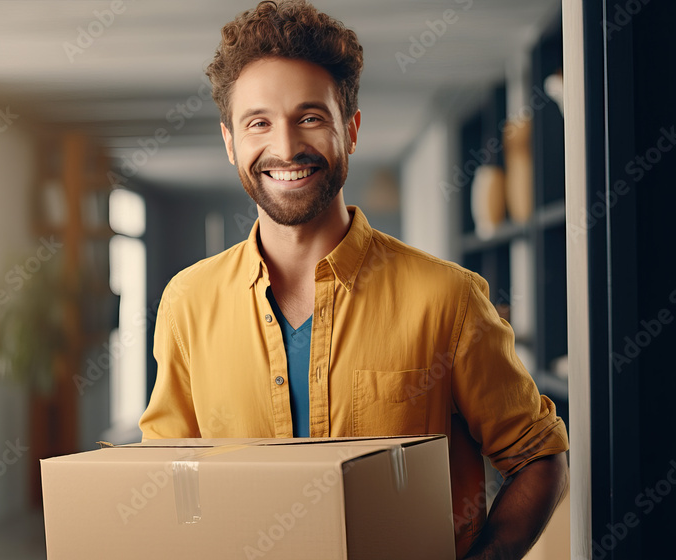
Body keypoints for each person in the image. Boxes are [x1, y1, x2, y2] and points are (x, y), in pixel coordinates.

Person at [138, 1, 569, 558]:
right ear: (230, 142)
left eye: (310, 117)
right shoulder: (187, 303)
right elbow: (166, 476)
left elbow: (537, 455)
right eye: (259, 123)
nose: (286, 146)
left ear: (352, 129)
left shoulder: (448, 298)